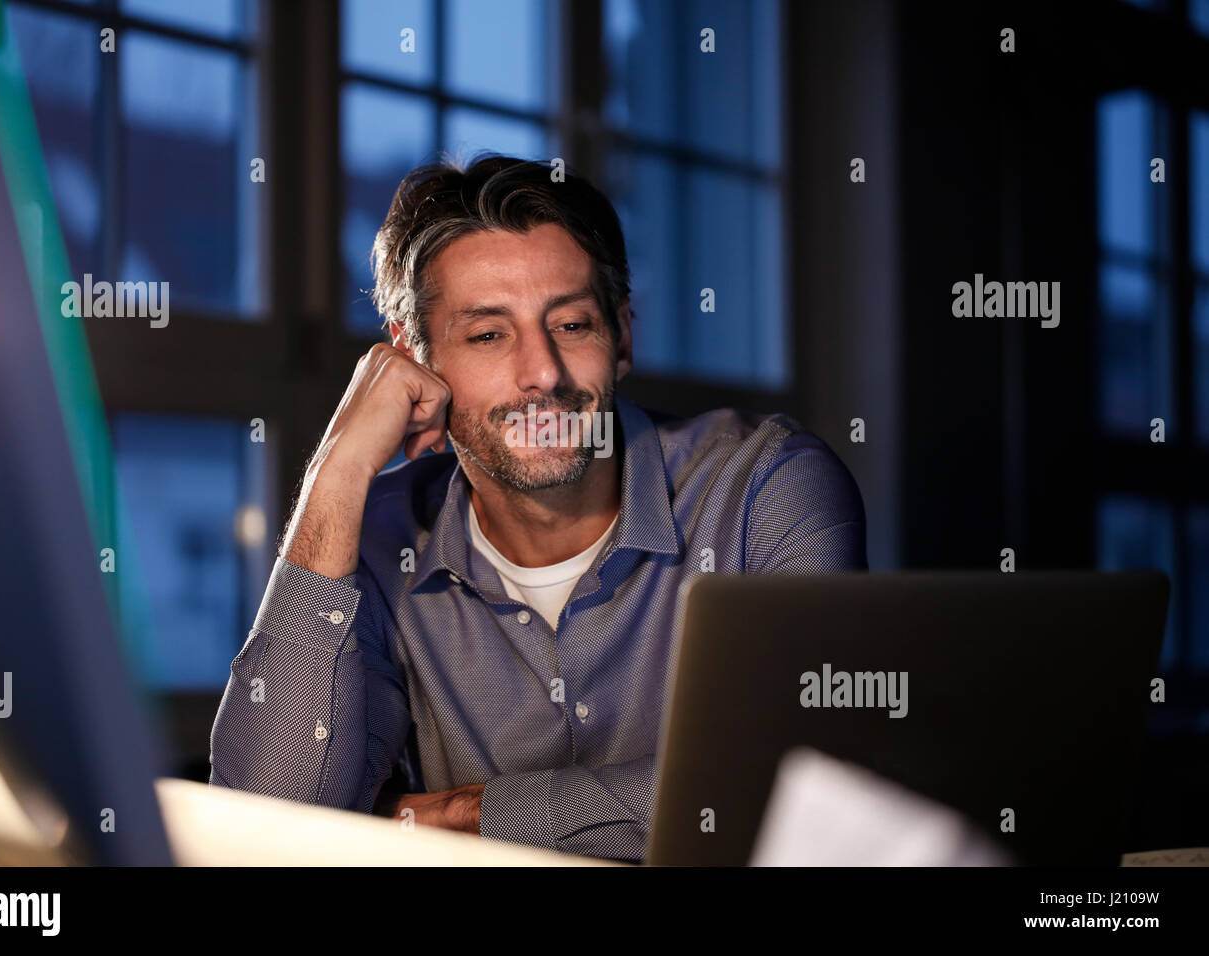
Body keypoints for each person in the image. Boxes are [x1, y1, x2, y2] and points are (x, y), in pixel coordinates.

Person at [209, 155, 867, 863]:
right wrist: (335, 473)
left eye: (574, 324)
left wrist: (466, 813)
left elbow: (806, 783)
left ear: (622, 337)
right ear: (415, 361)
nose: (544, 375)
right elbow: (264, 832)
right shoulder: (374, 543)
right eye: (489, 335)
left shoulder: (765, 487)